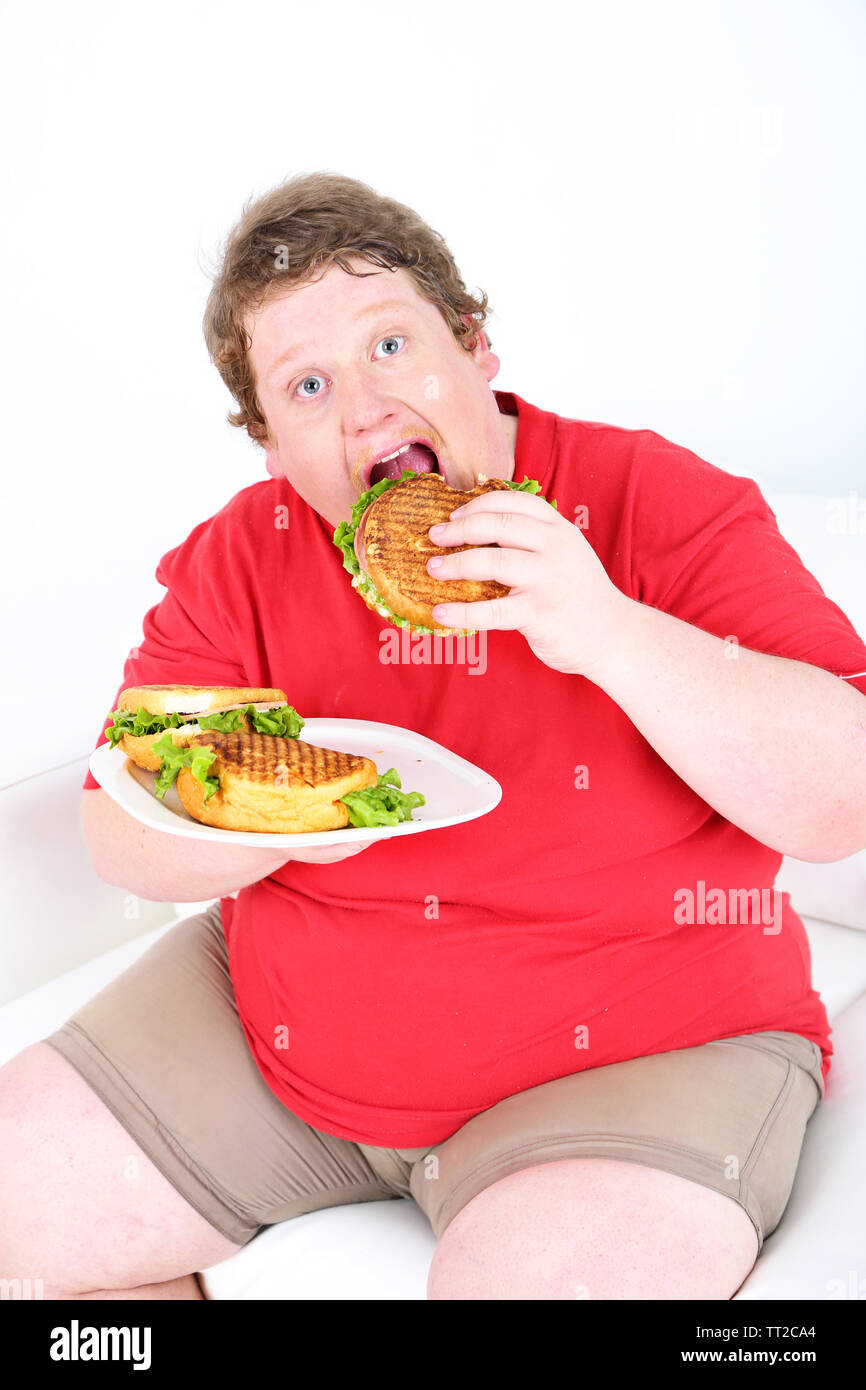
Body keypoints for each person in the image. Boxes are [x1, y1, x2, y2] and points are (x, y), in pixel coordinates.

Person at [3, 172, 866, 1301]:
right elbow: (121, 824)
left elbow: (838, 800)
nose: (361, 408)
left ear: (474, 346)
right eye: (305, 385)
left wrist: (604, 628)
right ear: (270, 444)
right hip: (274, 1039)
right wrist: (288, 820)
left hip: (639, 1058)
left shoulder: (660, 501)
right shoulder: (244, 552)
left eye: (392, 346)